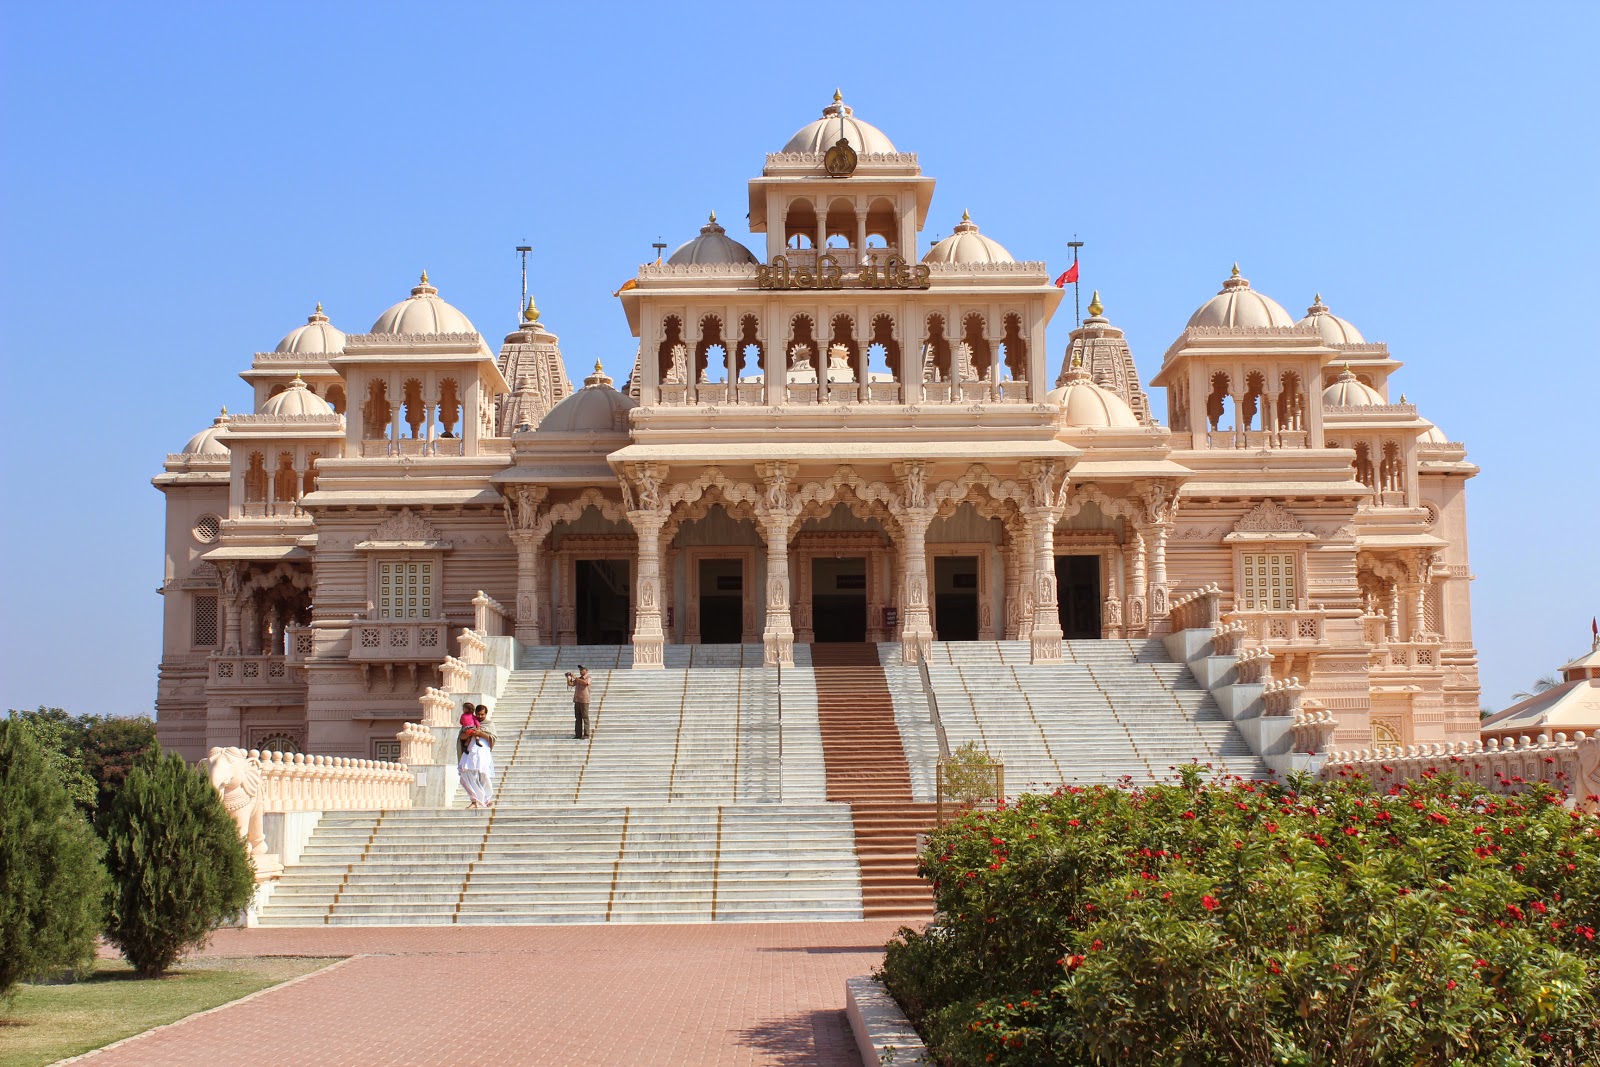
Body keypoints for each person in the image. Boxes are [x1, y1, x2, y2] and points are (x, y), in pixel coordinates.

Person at [458, 715, 495, 810]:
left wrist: (480, 733)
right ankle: (474, 801)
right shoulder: (469, 723)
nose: (480, 716)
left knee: (485, 777)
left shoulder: (489, 724)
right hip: (470, 754)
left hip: (483, 755)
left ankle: (486, 799)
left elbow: (492, 738)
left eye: (482, 714)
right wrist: (470, 733)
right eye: (478, 714)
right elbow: (461, 737)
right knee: (468, 777)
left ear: (486, 714)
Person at [565, 665, 591, 740]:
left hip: (584, 700)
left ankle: (586, 734)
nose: (581, 671)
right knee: (578, 718)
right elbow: (571, 684)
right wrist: (568, 678)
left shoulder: (588, 678)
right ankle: (578, 734)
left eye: (582, 669)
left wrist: (575, 677)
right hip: (577, 700)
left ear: (586, 670)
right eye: (580, 670)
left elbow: (585, 683)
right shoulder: (578, 679)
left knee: (585, 717)